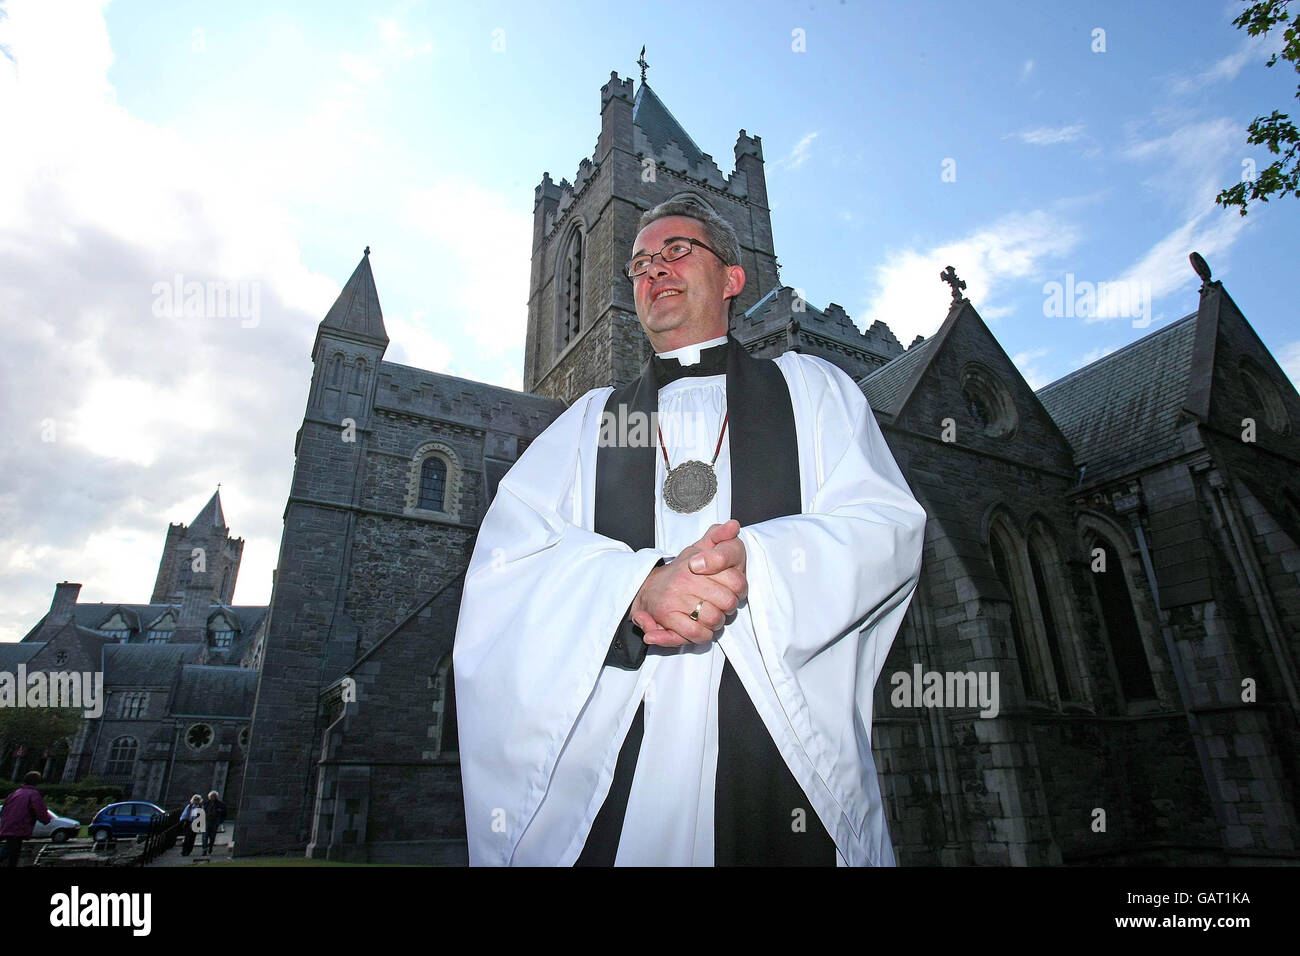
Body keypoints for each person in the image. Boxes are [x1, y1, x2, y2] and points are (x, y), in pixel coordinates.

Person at [454, 199, 927, 866]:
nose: (654, 271)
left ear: (733, 279)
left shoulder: (813, 392)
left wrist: (755, 565)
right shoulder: (589, 422)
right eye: (640, 263)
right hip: (614, 762)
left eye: (676, 251)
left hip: (775, 755)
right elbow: (507, 563)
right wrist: (634, 588)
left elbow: (886, 529)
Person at [0, 771, 53, 867]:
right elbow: (40, 810)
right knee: (8, 851)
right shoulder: (33, 794)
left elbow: (4, 808)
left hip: (8, 824)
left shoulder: (15, 793)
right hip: (19, 826)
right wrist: (46, 820)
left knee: (14, 852)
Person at [201, 791, 226, 855]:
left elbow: (224, 813)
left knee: (212, 836)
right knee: (205, 836)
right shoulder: (206, 803)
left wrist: (220, 819)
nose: (212, 797)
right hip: (206, 821)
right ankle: (204, 849)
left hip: (215, 822)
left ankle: (210, 846)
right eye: (211, 796)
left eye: (214, 796)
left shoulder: (221, 804)